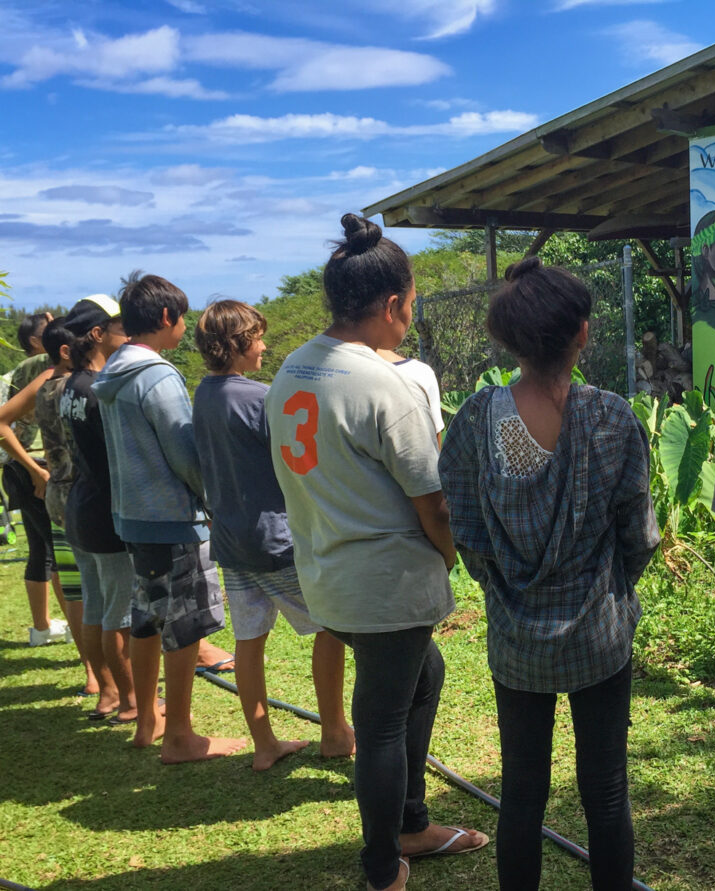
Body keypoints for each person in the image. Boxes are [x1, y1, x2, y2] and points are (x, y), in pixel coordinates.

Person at [266, 214, 487, 891]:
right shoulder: (383, 385)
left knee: (425, 675)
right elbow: (436, 502)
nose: (408, 321)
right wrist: (450, 557)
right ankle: (383, 862)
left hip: (329, 575)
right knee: (383, 719)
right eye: (412, 307)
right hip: (385, 584)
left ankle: (411, 820)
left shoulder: (291, 369)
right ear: (392, 304)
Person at [438, 256, 659, 890]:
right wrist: (612, 587)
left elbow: (466, 522)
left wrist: (500, 585)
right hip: (599, 633)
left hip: (515, 637)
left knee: (523, 788)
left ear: (508, 339)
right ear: (583, 334)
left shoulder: (479, 419)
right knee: (607, 790)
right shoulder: (613, 417)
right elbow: (637, 533)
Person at [192, 299, 354, 771]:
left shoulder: (203, 393)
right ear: (241, 345)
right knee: (331, 626)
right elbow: (298, 460)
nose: (264, 346)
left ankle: (265, 744)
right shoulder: (261, 398)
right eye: (258, 337)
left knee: (249, 639)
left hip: (231, 540)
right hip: (276, 540)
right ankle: (334, 732)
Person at [94, 272, 247, 762]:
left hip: (133, 518)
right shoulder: (157, 374)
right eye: (181, 318)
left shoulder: (113, 371)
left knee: (147, 616)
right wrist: (214, 498)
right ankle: (180, 736)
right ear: (166, 318)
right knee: (183, 626)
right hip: (172, 518)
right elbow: (184, 454)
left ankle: (147, 722)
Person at [0, 318, 115, 716]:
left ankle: (97, 678)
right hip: (84, 496)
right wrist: (35, 469)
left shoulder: (48, 382)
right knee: (101, 591)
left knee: (79, 588)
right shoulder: (75, 383)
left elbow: (2, 420)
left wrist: (40, 474)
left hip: (58, 495)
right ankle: (108, 681)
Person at [60, 295, 139, 725]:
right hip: (106, 513)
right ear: (98, 334)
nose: (127, 336)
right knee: (119, 614)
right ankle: (130, 701)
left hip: (81, 507)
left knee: (95, 606)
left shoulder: (71, 386)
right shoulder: (98, 389)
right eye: (121, 329)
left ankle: (108, 692)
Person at [2, 312, 74, 651]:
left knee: (41, 550)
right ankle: (78, 628)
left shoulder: (22, 370)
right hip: (39, 464)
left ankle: (42, 627)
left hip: (21, 466)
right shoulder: (44, 369)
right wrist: (36, 470)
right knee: (62, 554)